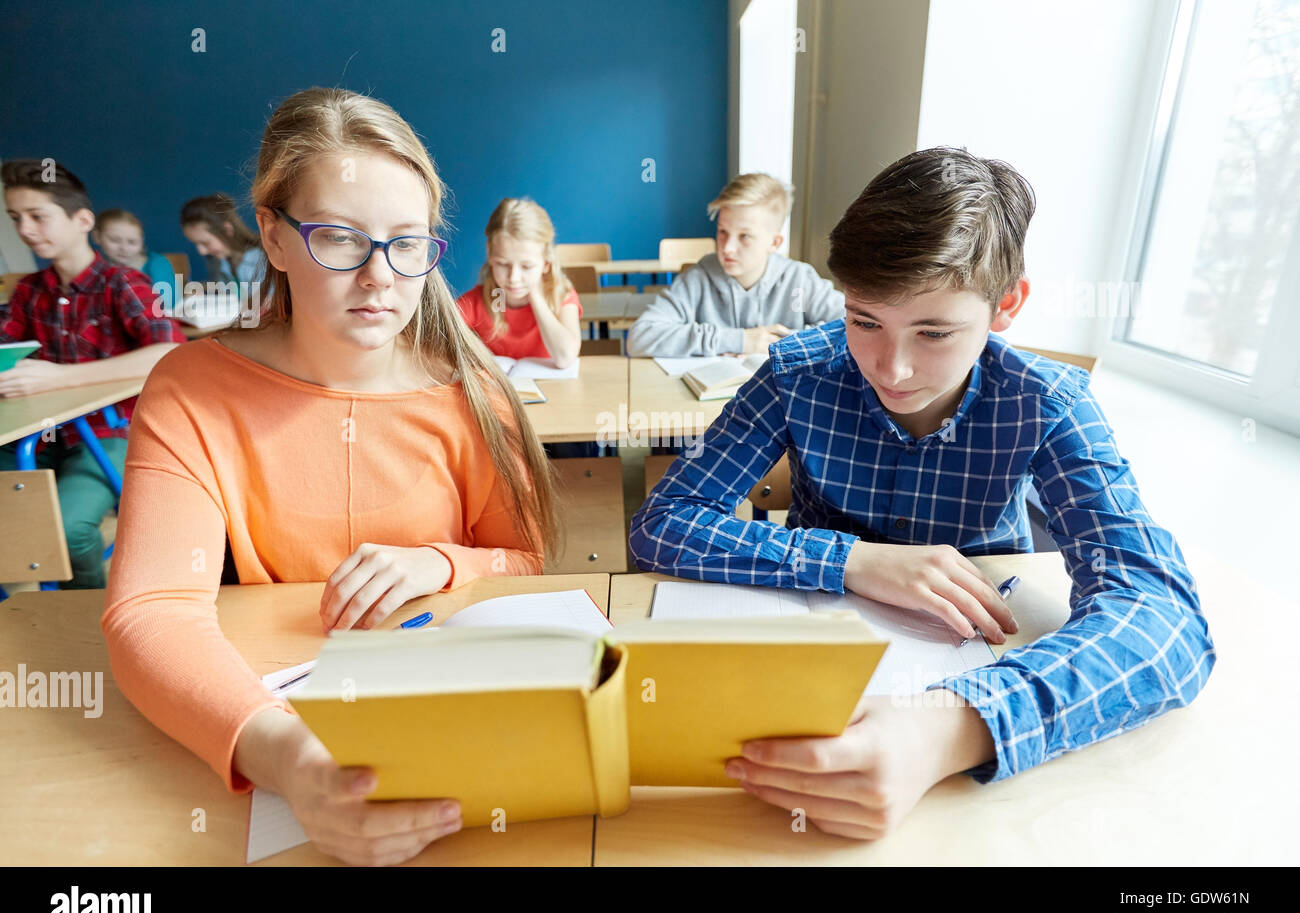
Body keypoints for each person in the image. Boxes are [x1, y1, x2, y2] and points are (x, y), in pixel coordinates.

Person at [629, 146, 1215, 840]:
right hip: (806, 685)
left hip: (976, 700)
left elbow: (1165, 619)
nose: (892, 367)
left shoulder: (1049, 403)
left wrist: (952, 728)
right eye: (864, 321)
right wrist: (851, 561)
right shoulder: (797, 371)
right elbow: (661, 523)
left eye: (934, 332)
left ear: (1007, 305)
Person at [101, 87, 562, 866]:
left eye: (406, 243)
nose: (381, 276)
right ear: (275, 238)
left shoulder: (474, 392)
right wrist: (289, 758)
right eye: (343, 240)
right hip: (276, 720)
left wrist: (440, 560)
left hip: (456, 744)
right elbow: (151, 611)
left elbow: (526, 564)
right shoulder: (193, 389)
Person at [0, 160, 185, 589]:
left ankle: (82, 616)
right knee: (23, 528)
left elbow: (170, 351)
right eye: (15, 218)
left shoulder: (122, 282)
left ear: (83, 220)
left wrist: (57, 378)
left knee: (67, 532)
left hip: (110, 433)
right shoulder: (29, 290)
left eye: (38, 216)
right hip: (37, 434)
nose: (25, 229)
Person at [625, 172, 844, 357]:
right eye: (722, 232)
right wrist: (741, 341)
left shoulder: (800, 279)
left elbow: (848, 326)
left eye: (744, 236)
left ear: (774, 242)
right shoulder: (698, 278)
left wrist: (779, 344)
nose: (727, 247)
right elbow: (639, 338)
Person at [455, 197, 581, 368]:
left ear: (546, 263)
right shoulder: (476, 302)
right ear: (490, 257)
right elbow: (435, 343)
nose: (514, 278)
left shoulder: (561, 296)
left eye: (527, 267)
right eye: (503, 264)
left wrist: (535, 295)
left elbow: (565, 357)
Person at [94, 208, 180, 312]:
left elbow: (168, 307)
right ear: (97, 236)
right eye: (114, 240)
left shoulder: (157, 265)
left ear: (142, 242)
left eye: (132, 242)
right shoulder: (93, 268)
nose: (124, 248)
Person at [179, 193, 266, 289]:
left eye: (205, 243)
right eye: (196, 243)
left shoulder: (260, 261)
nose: (201, 251)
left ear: (227, 230)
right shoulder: (221, 262)